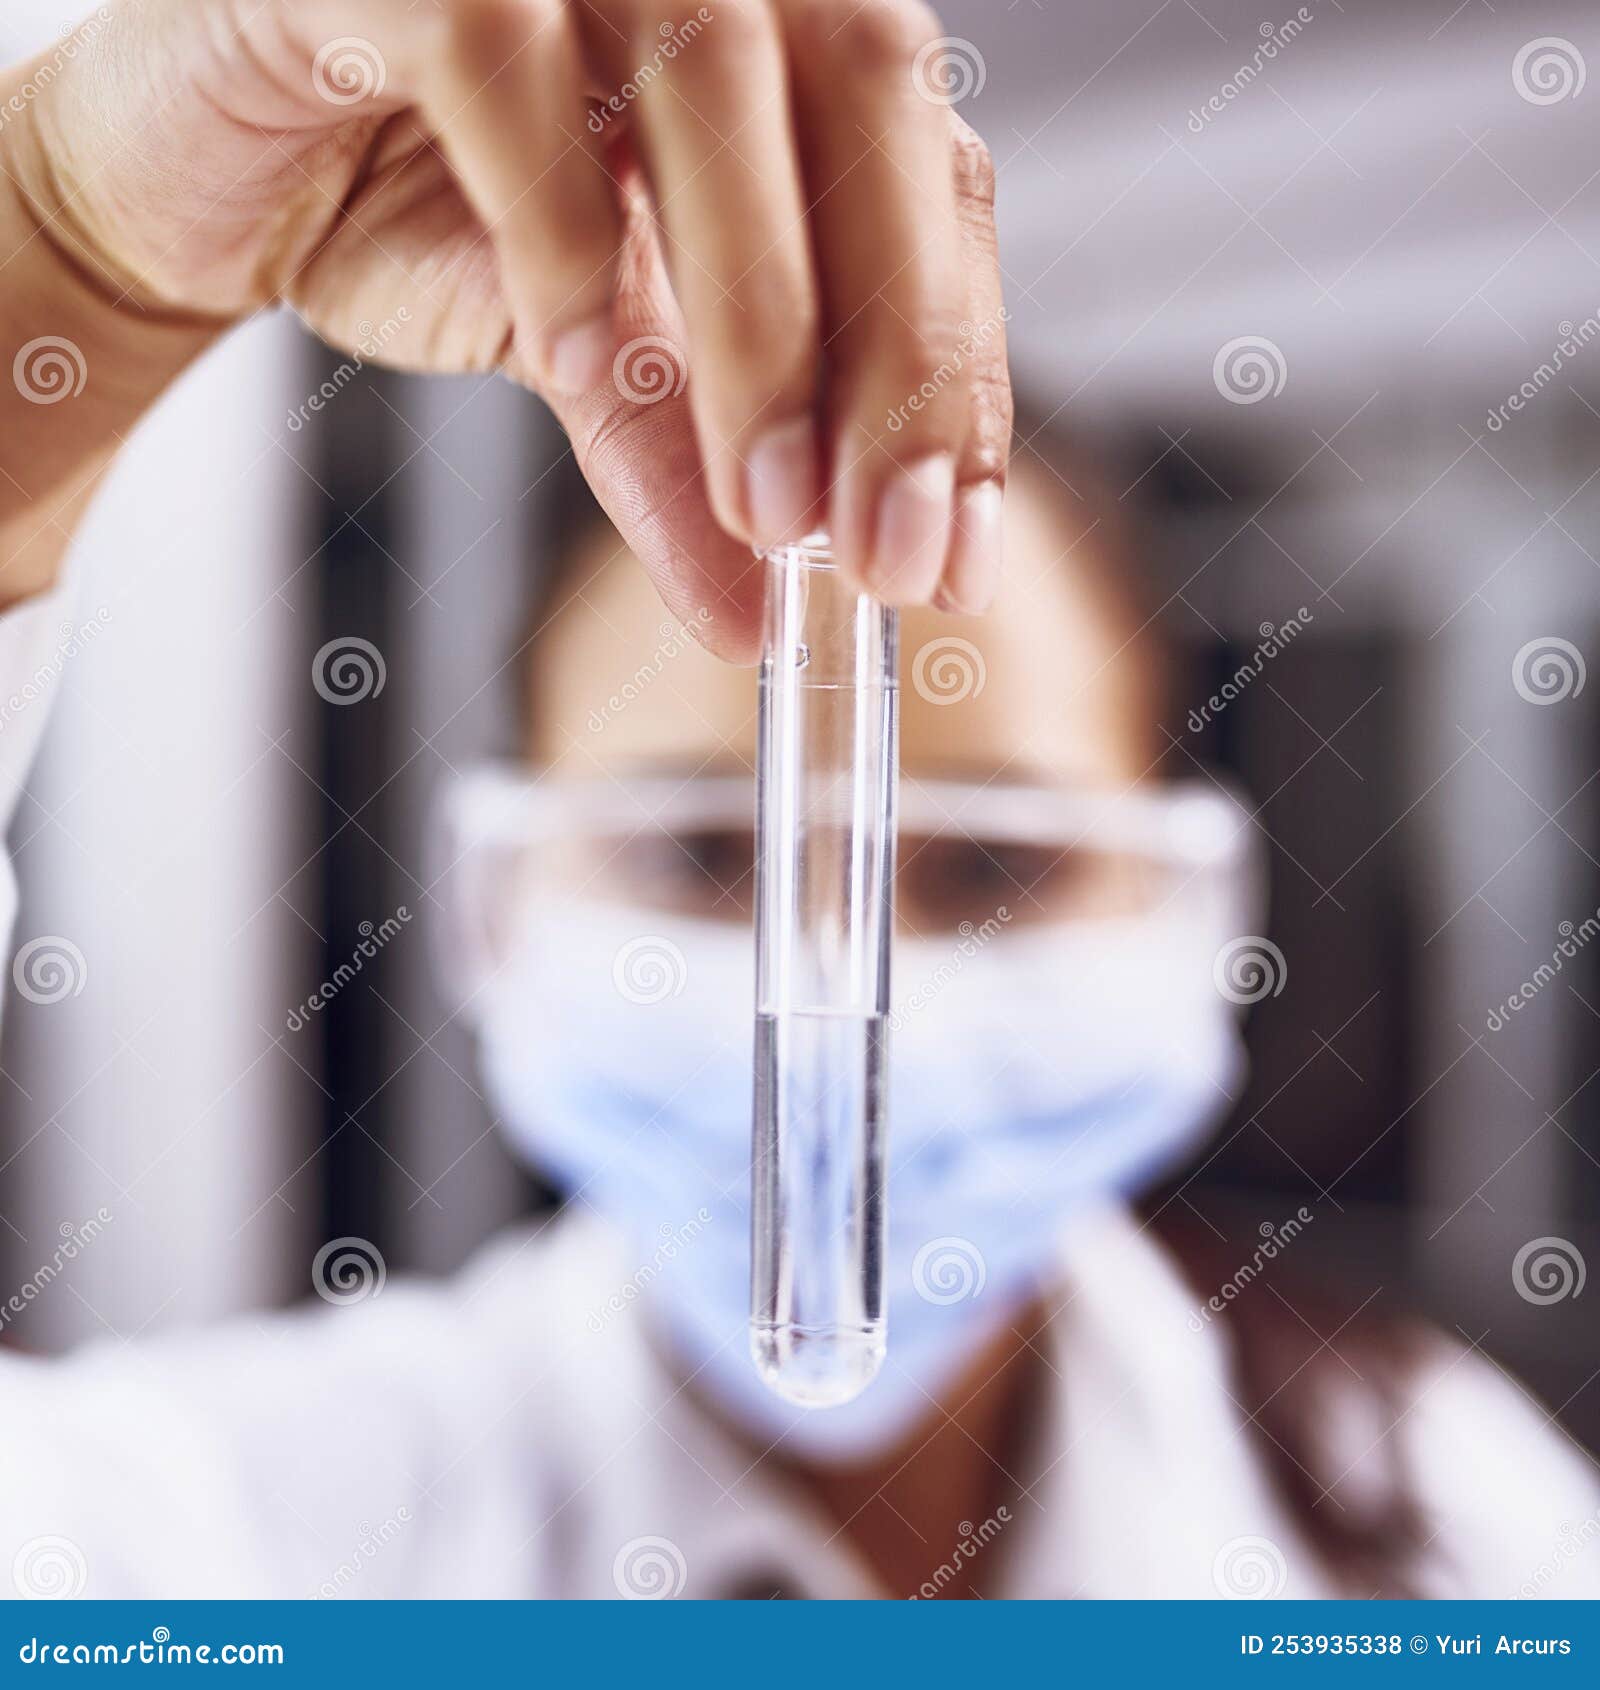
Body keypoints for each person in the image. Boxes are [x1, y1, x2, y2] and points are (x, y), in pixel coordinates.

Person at [0, 0, 1593, 1603]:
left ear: (1194, 911)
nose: (851, 969)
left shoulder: (1454, 1525)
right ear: (496, 899)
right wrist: (56, 258)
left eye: (992, 868)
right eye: (702, 849)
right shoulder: (231, 1531)